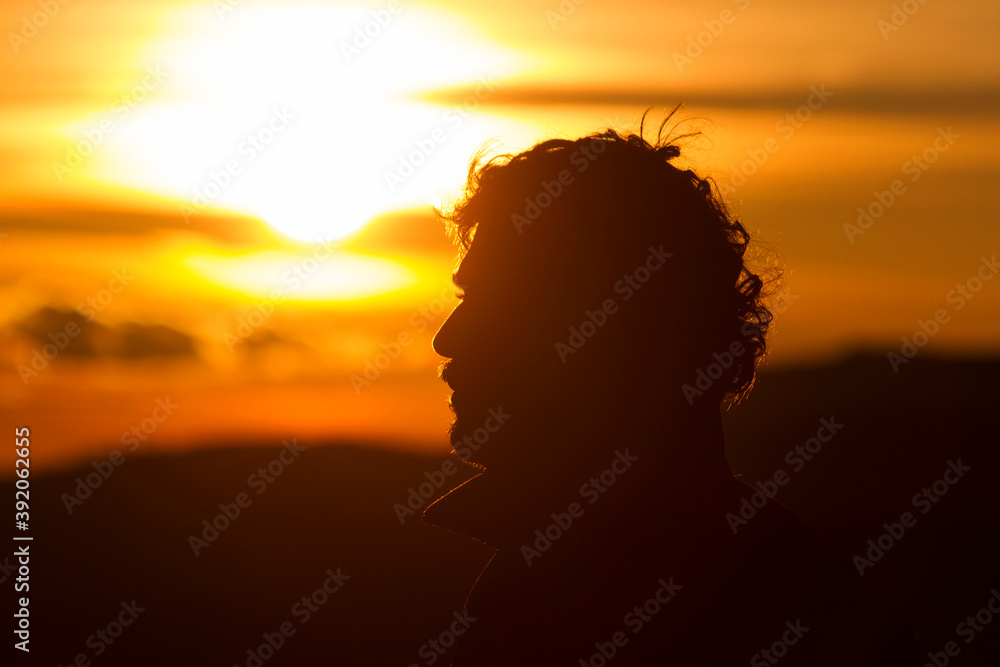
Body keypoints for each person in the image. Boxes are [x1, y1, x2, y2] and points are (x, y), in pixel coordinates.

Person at [423, 112, 921, 666]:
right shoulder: (794, 586)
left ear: (606, 329)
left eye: (493, 301)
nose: (448, 339)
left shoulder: (650, 603)